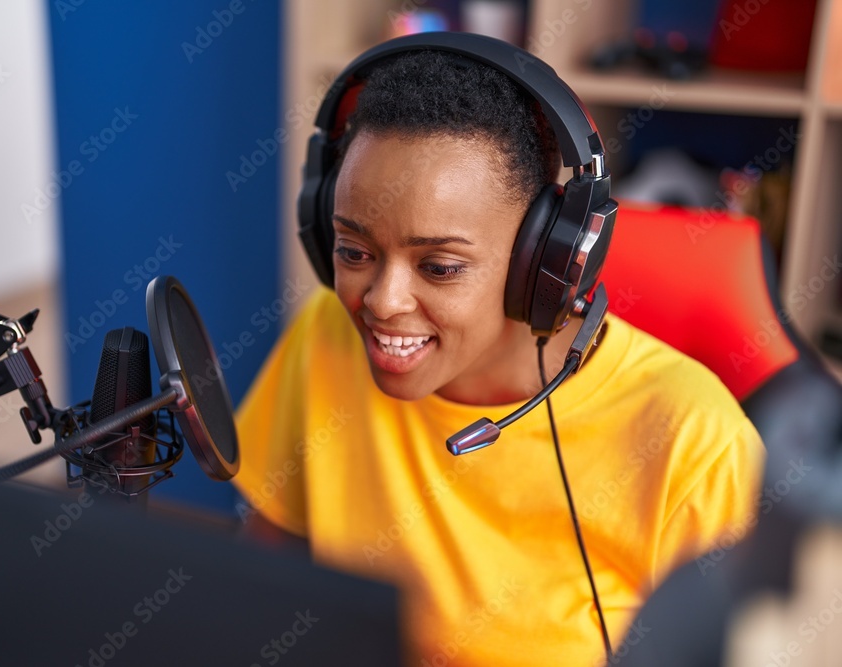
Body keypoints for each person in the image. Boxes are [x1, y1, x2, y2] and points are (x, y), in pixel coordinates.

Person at [231, 34, 764, 666]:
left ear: (544, 262)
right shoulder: (325, 334)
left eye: (439, 267)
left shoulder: (695, 446)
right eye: (354, 252)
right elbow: (261, 589)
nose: (381, 301)